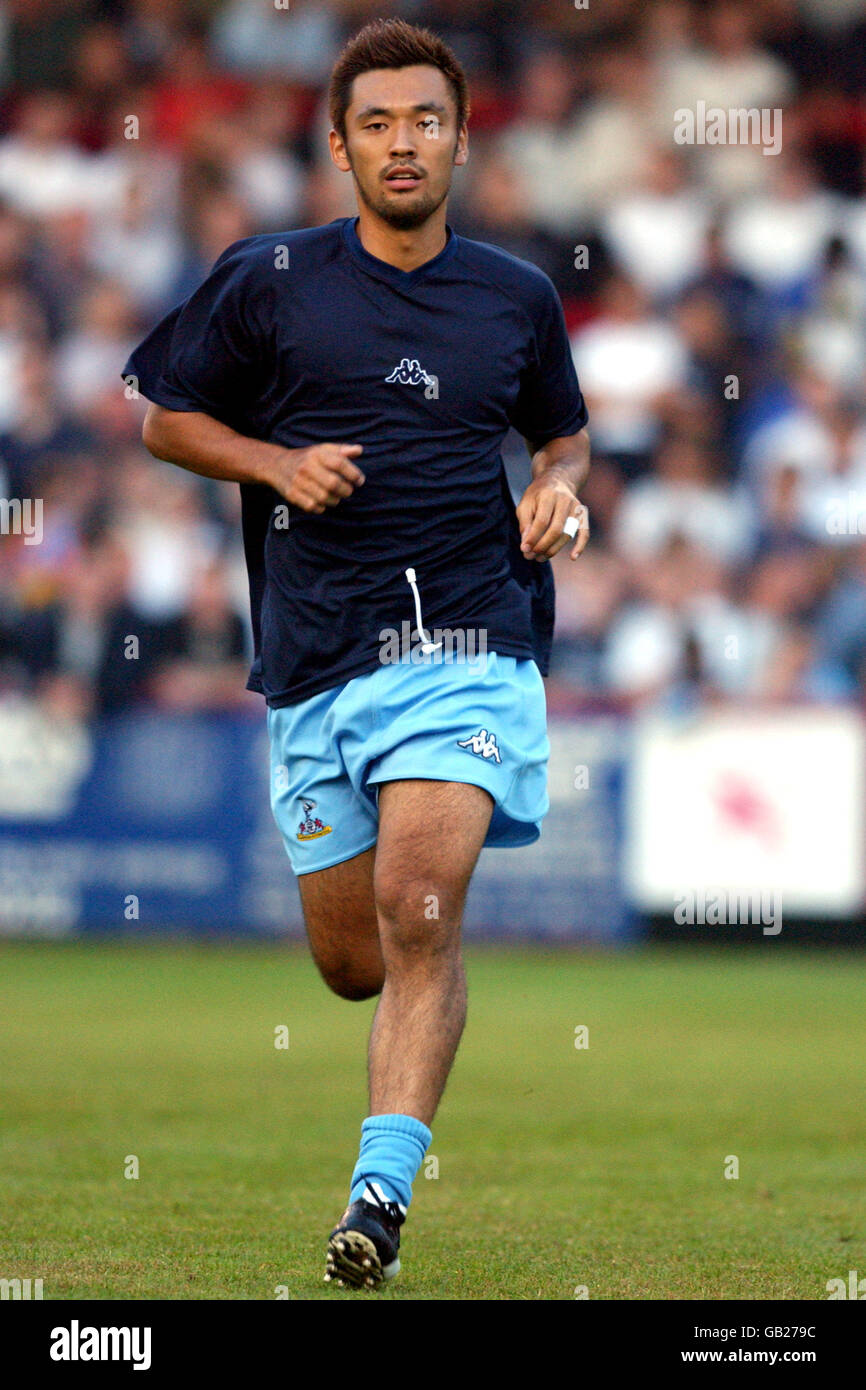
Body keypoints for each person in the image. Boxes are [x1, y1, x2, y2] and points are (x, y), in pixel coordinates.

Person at [121, 17, 590, 1291]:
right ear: (337, 146)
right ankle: (405, 1022)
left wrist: (559, 490)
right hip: (314, 659)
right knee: (351, 962)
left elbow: (563, 437)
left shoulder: (517, 295)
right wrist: (274, 462)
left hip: (466, 644)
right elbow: (166, 418)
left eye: (423, 120)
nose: (401, 142)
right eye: (374, 122)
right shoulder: (268, 276)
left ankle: (376, 1197)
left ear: (458, 137)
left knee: (416, 909)